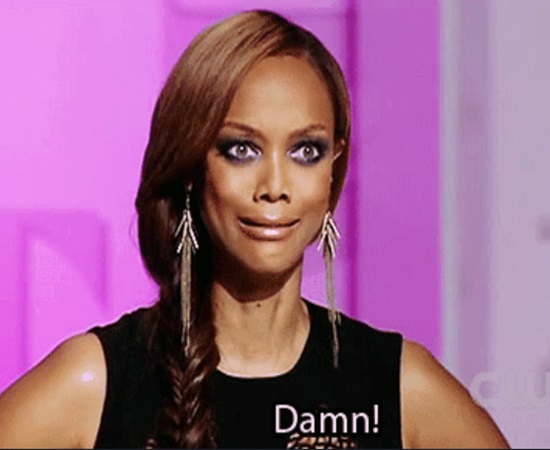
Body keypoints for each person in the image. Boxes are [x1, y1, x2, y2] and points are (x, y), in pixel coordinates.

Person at [0, 10, 509, 449]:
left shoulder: (398, 387)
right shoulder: (97, 382)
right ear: (191, 166)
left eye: (305, 151)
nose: (275, 187)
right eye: (241, 149)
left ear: (334, 166)